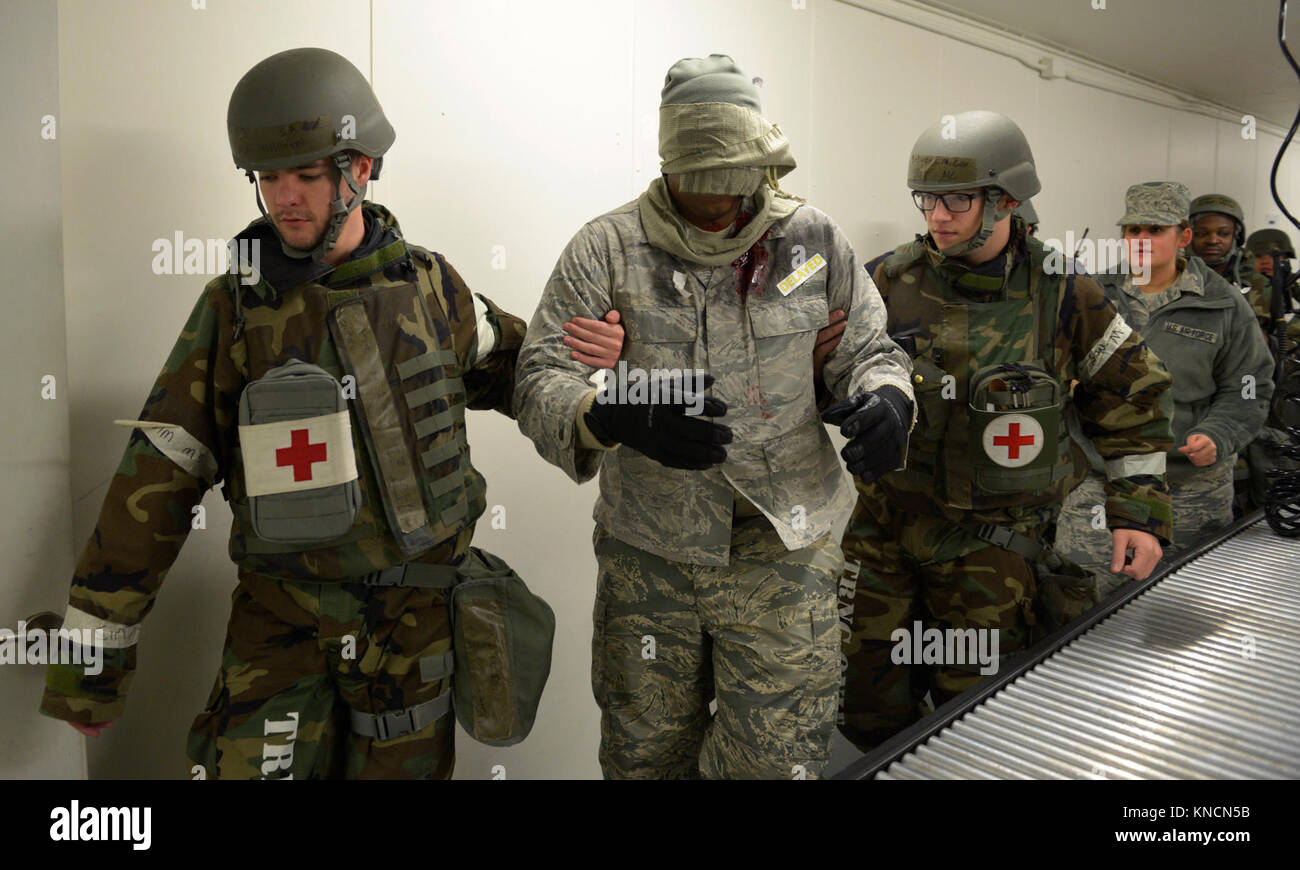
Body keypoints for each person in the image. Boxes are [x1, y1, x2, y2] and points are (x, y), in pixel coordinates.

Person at [38, 47, 620, 779]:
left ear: (361, 168)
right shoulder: (235, 307)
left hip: (415, 628)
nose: (285, 197)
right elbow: (154, 480)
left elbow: (528, 375)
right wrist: (89, 666)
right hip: (283, 626)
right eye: (268, 178)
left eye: (307, 175)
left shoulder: (432, 287)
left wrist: (605, 384)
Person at [513, 54, 914, 779]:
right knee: (645, 756)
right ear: (667, 167)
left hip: (785, 547)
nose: (718, 204)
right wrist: (613, 415)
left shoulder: (812, 241)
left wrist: (890, 399)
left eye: (735, 183)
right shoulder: (607, 248)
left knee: (777, 758)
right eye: (699, 185)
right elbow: (539, 379)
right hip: (650, 556)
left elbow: (870, 349)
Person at [835, 111, 1175, 753]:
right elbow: (825, 364)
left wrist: (1140, 512)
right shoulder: (883, 280)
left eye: (957, 200)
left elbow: (1133, 393)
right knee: (864, 706)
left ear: (1007, 200)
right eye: (927, 198)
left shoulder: (1067, 292)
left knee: (975, 715)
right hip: (883, 534)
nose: (938, 215)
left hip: (991, 547)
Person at [1056, 182, 1273, 598]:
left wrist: (1218, 435)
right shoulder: (1091, 294)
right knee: (1081, 603)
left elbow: (1250, 387)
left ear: (1183, 236)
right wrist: (1066, 378)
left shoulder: (1223, 305)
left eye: (1155, 230)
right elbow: (1050, 362)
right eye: (1133, 230)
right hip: (1101, 482)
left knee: (1180, 610)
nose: (1141, 240)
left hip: (1188, 488)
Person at [1189, 193, 1253, 287]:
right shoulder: (1168, 279)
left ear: (1236, 236)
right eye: (1202, 234)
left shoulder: (1258, 283)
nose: (1212, 241)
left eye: (1224, 234)